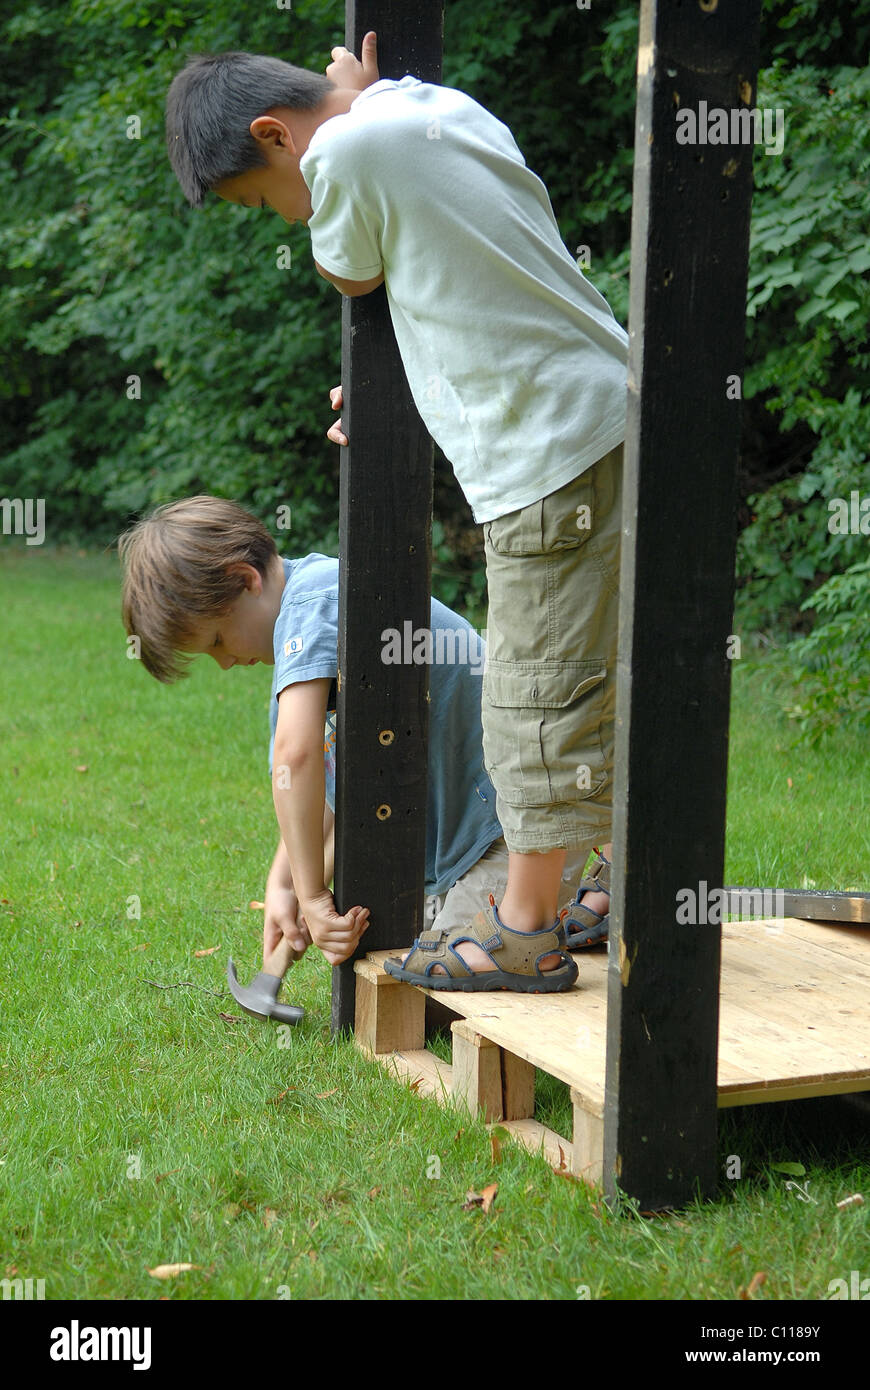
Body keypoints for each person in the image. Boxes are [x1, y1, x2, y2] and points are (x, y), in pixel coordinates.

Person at [163, 31, 627, 989]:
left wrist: (334, 133)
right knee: (602, 673)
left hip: (545, 453)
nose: (280, 215)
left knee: (532, 695)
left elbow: (352, 273)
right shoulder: (428, 112)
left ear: (274, 137)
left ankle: (524, 931)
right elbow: (448, 285)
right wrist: (386, 398)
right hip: (603, 409)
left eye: (260, 200)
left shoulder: (342, 156)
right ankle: (608, 887)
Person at [118, 495, 591, 985]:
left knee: (437, 994)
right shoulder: (309, 641)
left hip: (516, 833)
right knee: (404, 966)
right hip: (466, 844)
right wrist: (284, 884)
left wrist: (314, 897)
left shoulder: (316, 600)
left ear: (245, 580)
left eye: (216, 641)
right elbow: (325, 783)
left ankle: (588, 894)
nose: (224, 662)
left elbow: (295, 756)